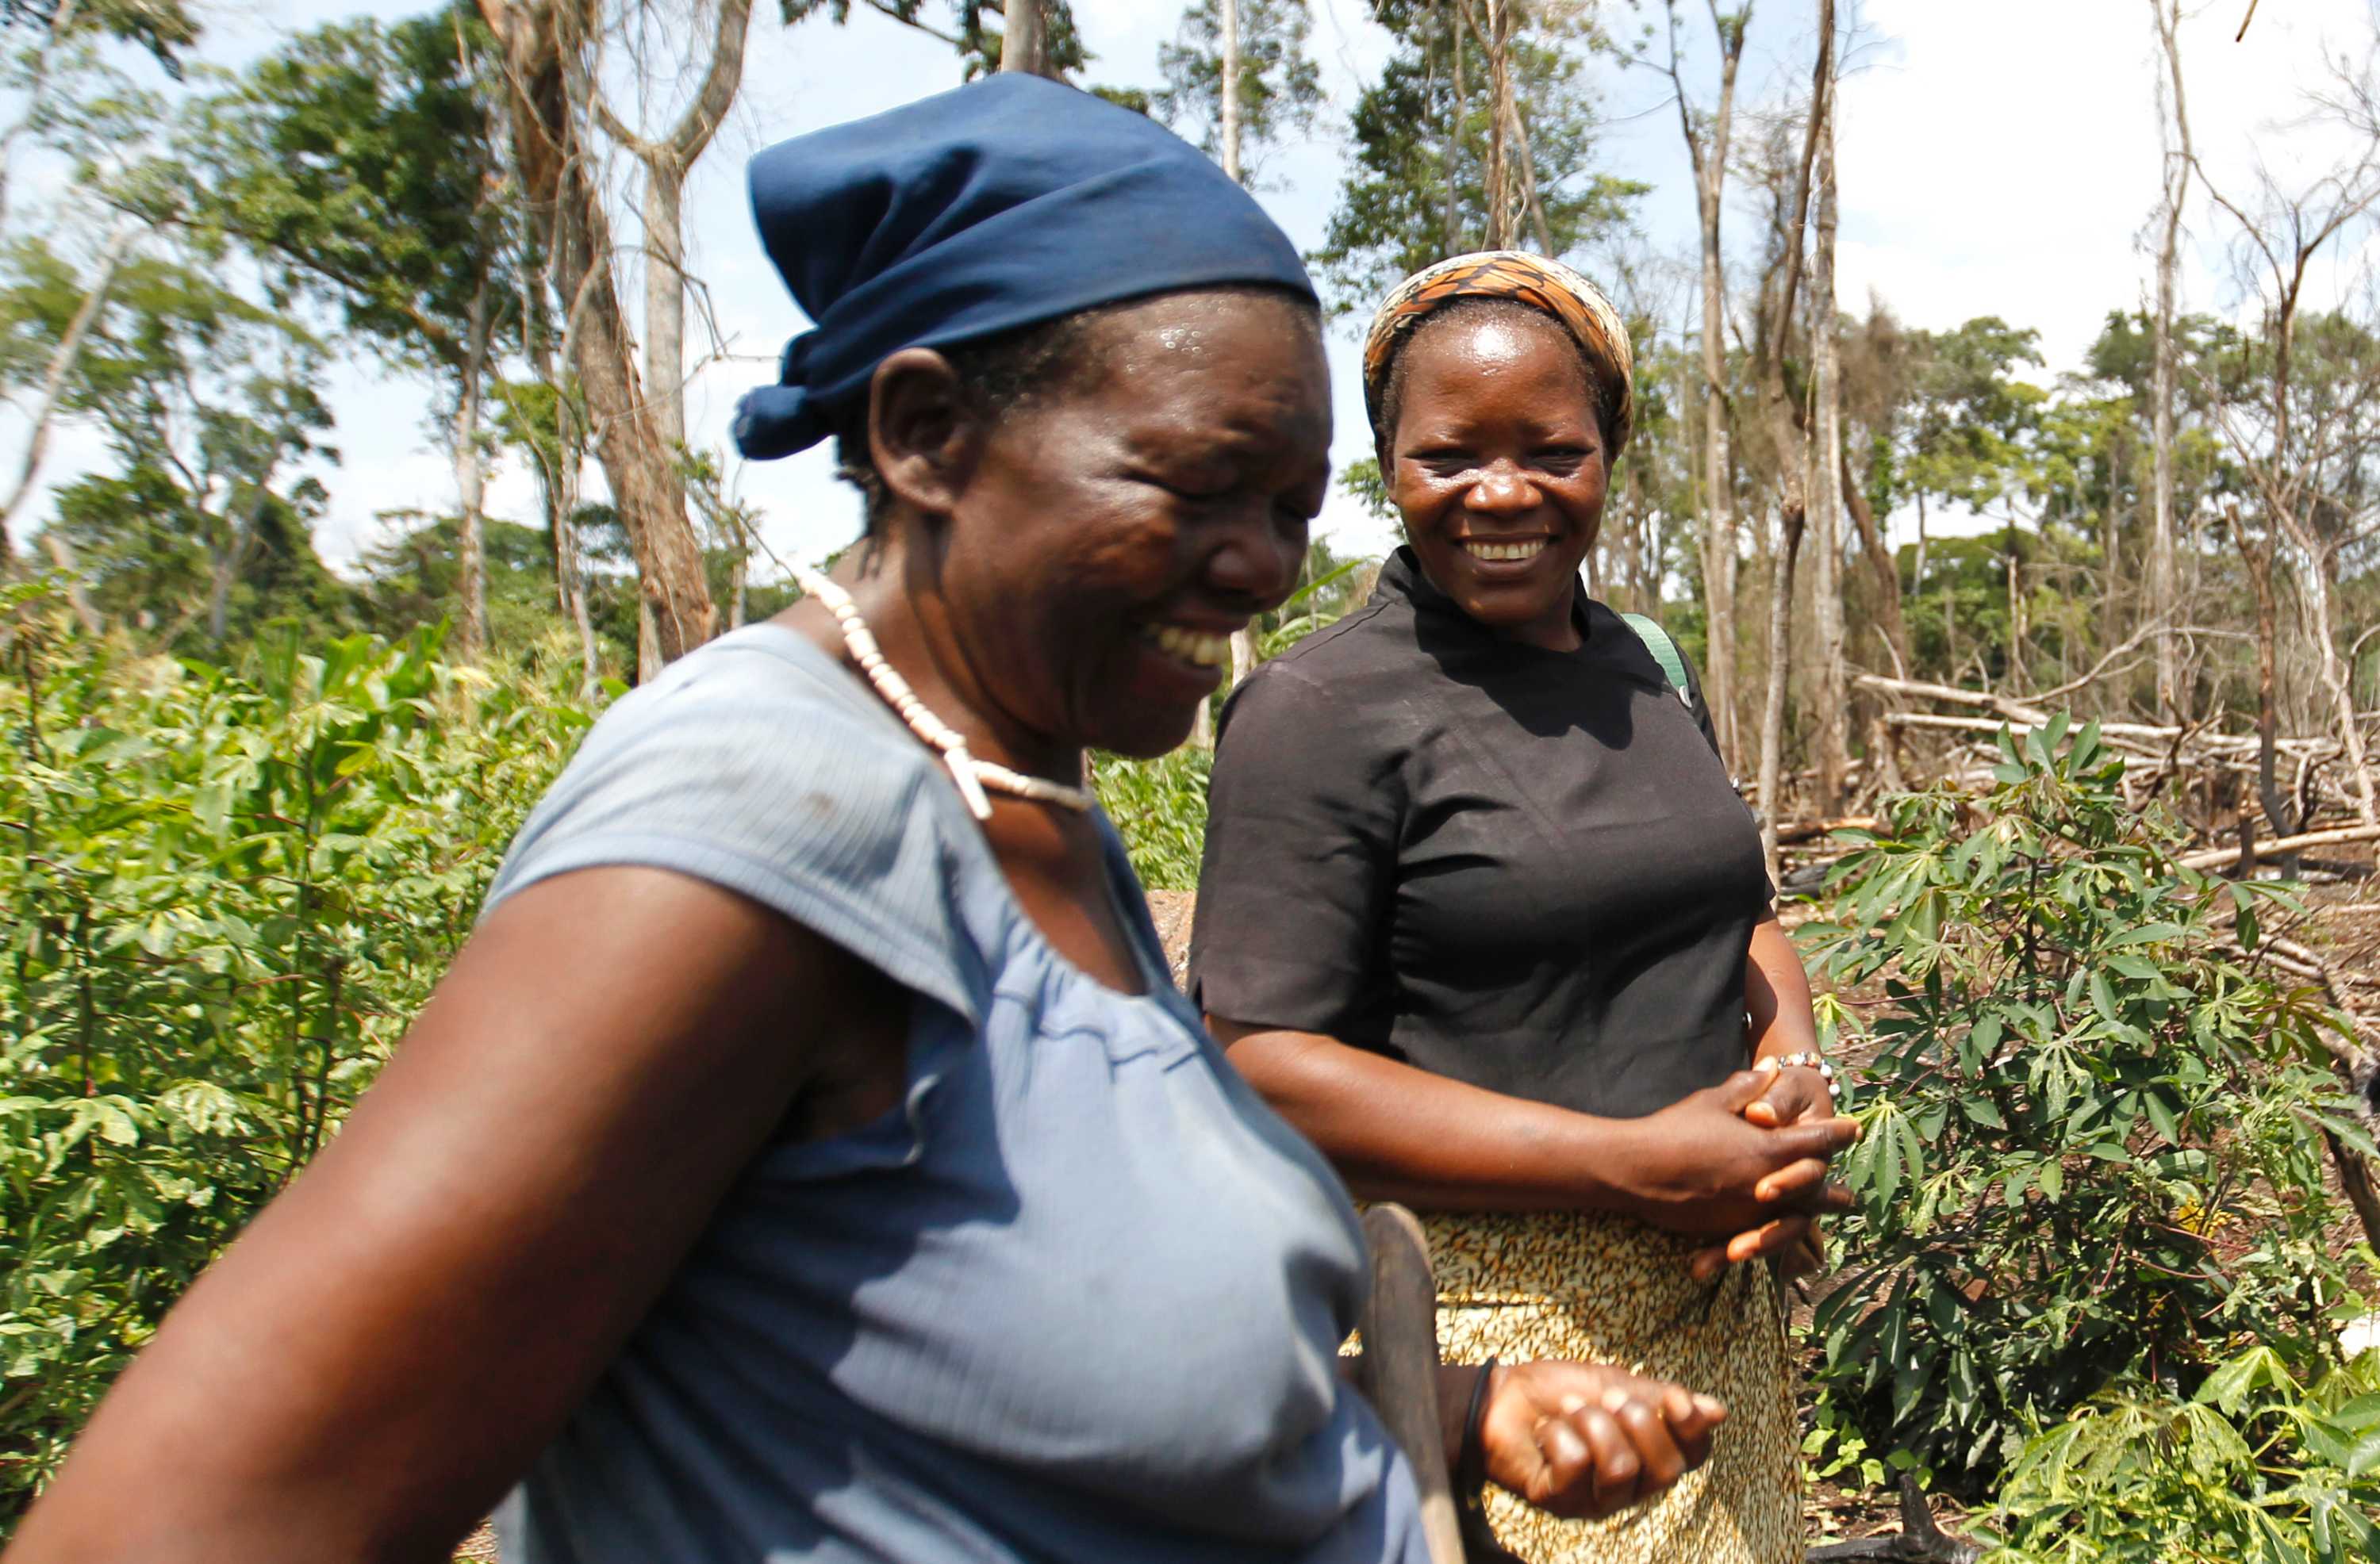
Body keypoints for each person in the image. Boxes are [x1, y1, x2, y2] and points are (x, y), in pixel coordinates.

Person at [10, 90, 1735, 1564]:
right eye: (1198, 485)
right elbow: (200, 1513)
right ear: (923, 437)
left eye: (1291, 506)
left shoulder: (1029, 807)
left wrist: (1455, 1400)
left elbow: (992, 1342)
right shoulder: (762, 817)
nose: (1264, 566)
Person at [1187, 251, 1857, 1564]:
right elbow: (1259, 1067)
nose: (1503, 493)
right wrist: (1625, 1163)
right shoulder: (1320, 713)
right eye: (1450, 456)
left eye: (1552, 450)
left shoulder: (1642, 670)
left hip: (1715, 1328)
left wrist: (1790, 1083)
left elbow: (1737, 914)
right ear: (1390, 464)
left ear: (1608, 449)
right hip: (1488, 1355)